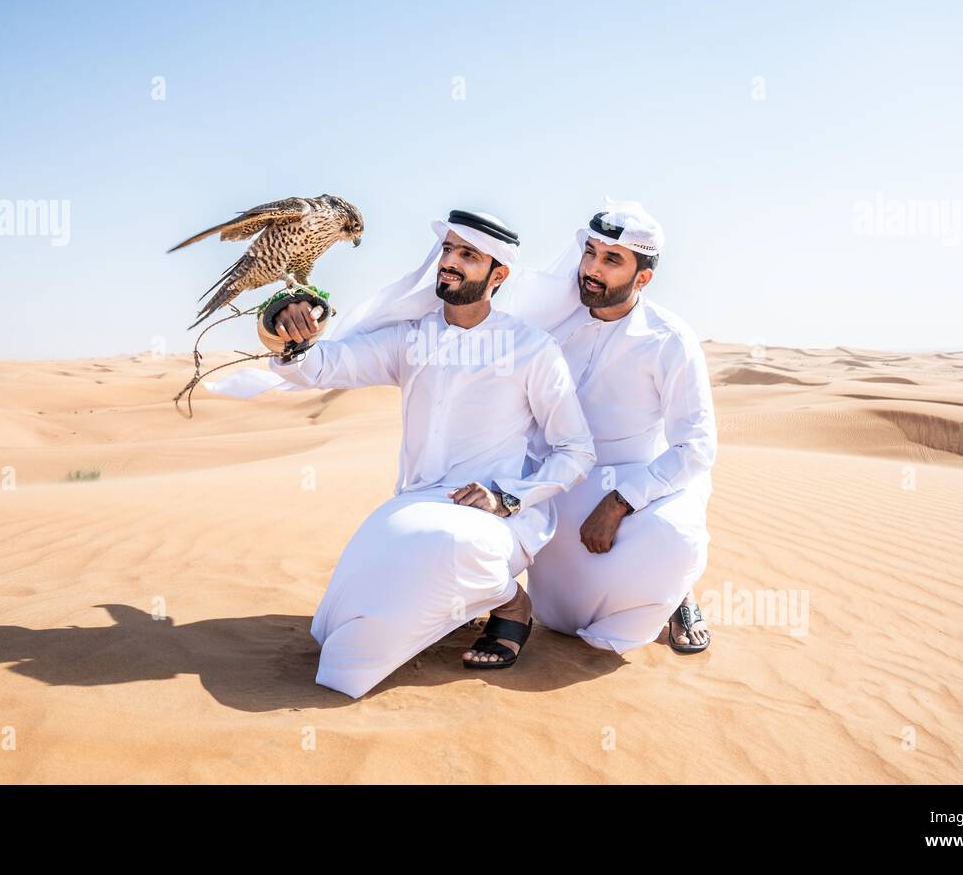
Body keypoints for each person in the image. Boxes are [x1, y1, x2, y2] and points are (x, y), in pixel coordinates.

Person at [266, 209, 595, 698]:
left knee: (456, 549)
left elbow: (577, 450)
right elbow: (322, 366)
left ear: (498, 274)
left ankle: (510, 604)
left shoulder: (532, 349)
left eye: (467, 255)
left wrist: (509, 497)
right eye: (447, 250)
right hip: (413, 504)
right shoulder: (410, 339)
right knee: (336, 635)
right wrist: (284, 330)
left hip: (494, 516)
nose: (450, 263)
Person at [497, 198, 716, 656]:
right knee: (559, 617)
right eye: (590, 253)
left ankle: (677, 597)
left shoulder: (669, 340)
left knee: (674, 538)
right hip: (563, 476)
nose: (592, 269)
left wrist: (620, 502)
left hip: (639, 480)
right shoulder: (554, 324)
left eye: (611, 260)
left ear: (643, 278)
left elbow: (695, 448)